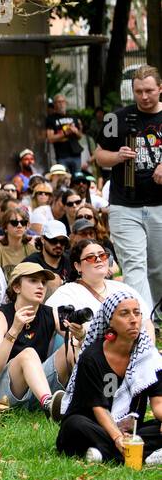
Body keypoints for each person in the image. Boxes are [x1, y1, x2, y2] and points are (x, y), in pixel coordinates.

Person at [55, 292, 162, 465]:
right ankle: (143, 455)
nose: (133, 319)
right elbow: (99, 409)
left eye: (137, 312)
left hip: (131, 429)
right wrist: (117, 438)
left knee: (157, 428)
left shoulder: (149, 357)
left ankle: (103, 454)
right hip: (93, 425)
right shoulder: (92, 358)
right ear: (110, 321)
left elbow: (158, 403)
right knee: (74, 426)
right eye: (125, 313)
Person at [93, 65, 162, 318]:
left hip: (159, 205)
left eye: (149, 91)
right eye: (138, 91)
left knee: (158, 268)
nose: (144, 97)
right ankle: (143, 320)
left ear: (160, 89)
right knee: (134, 265)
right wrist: (117, 156)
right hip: (125, 205)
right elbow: (99, 156)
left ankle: (159, 312)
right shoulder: (117, 118)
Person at [0, 261, 69, 417]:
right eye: (33, 280)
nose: (41, 286)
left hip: (34, 390)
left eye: (43, 282)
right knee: (28, 354)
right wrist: (14, 329)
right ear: (17, 287)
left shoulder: (51, 313)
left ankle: (88, 401)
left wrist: (80, 334)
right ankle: (49, 404)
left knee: (73, 345)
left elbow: (79, 344)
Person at [0, 206, 36, 281]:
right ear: (5, 227)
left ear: (26, 227)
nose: (19, 226)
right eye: (14, 223)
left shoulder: (31, 249)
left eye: (23, 223)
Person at [21, 220, 73, 290]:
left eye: (62, 241)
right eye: (53, 240)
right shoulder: (30, 263)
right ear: (42, 239)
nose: (58, 245)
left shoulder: (70, 261)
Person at [46, 94, 84, 175]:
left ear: (66, 103)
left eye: (63, 101)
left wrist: (75, 131)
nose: (61, 104)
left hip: (76, 154)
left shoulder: (74, 117)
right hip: (62, 155)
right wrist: (66, 133)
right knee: (63, 179)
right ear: (54, 104)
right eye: (58, 102)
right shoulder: (51, 119)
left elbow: (80, 136)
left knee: (77, 178)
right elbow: (50, 138)